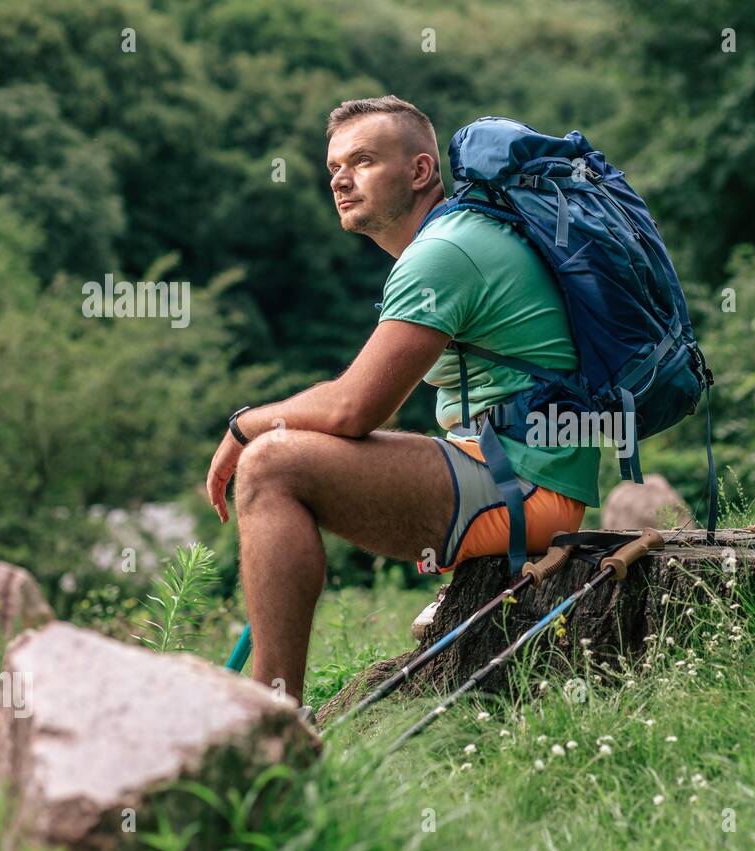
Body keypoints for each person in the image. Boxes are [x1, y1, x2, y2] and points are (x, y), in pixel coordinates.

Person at [206, 95, 599, 704]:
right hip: (516, 470)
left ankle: (273, 715)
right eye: (334, 166)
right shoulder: (461, 236)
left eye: (362, 161)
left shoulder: (445, 254)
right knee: (283, 454)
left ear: (419, 172)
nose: (340, 179)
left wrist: (242, 429)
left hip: (525, 490)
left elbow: (354, 409)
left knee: (271, 463)